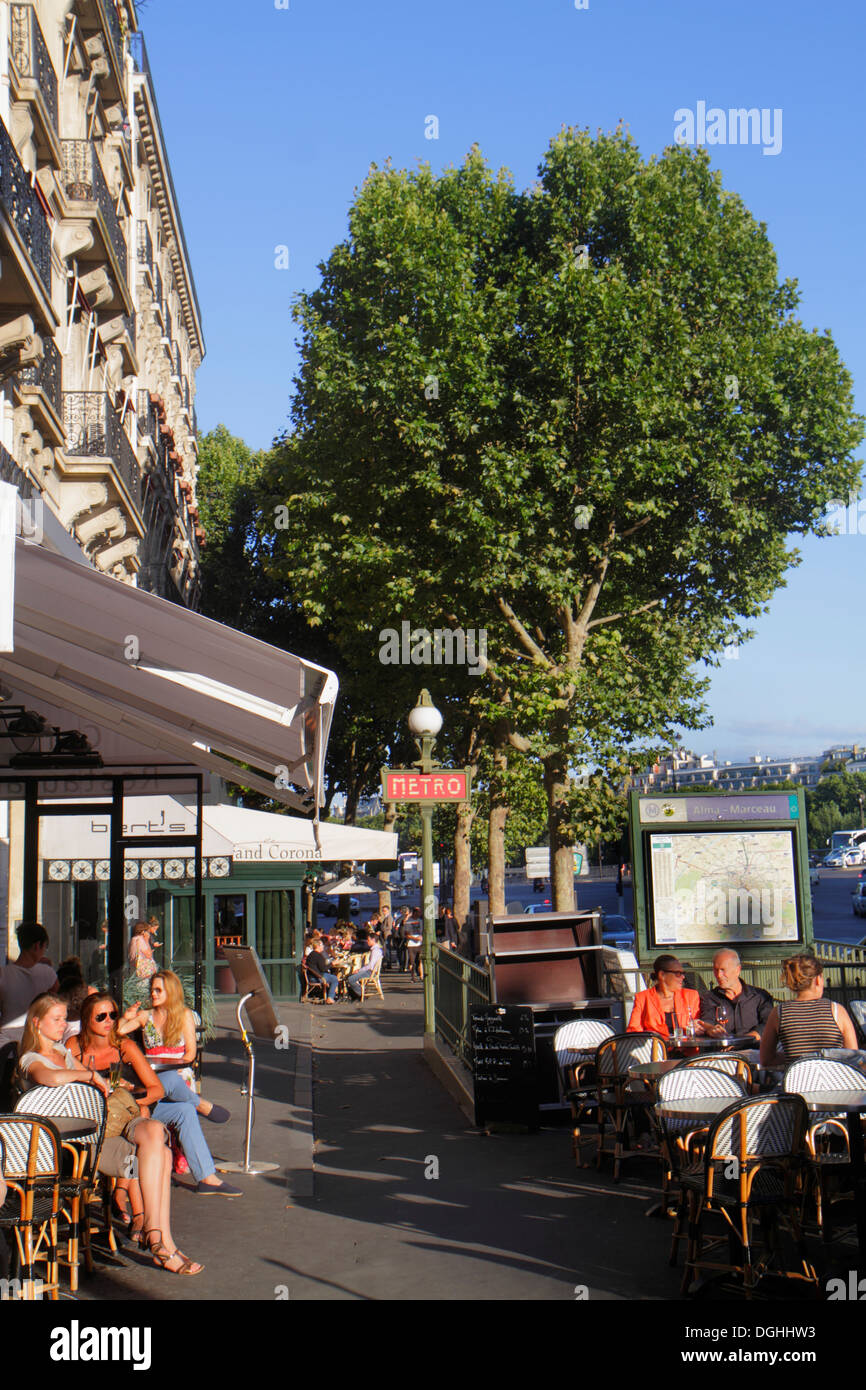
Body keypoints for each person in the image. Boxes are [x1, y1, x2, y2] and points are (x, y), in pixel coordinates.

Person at [68, 992, 204, 1273]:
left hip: (128, 1116)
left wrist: (134, 1098)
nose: (109, 1021)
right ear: (86, 1020)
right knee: (163, 1154)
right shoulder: (74, 1047)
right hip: (99, 1125)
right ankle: (162, 1241)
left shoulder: (125, 1047)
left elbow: (156, 1089)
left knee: (154, 1128)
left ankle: (154, 1235)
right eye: (101, 1016)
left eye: (113, 1015)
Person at [118, 972, 241, 1196]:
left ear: (170, 992)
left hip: (175, 1075)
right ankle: (200, 1104)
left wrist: (169, 1062)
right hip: (152, 1081)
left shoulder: (183, 1015)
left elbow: (190, 1054)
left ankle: (207, 1178)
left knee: (178, 1090)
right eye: (152, 990)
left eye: (158, 990)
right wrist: (126, 1018)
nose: (152, 994)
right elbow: (117, 1032)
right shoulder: (145, 1016)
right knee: (174, 1085)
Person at [760, 953, 858, 1065]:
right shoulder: (837, 1011)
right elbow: (853, 1055)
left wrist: (795, 1058)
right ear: (817, 980)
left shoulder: (779, 1013)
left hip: (797, 1081)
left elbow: (766, 1059)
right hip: (833, 1080)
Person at [0, 922, 58, 1049]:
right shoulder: (47, 973)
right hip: (35, 1041)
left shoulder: (3, 973)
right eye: (45, 947)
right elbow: (57, 1003)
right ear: (38, 945)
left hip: (5, 1042)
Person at [699, 949, 773, 1043]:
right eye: (715, 970)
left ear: (738, 970)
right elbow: (707, 1022)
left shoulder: (760, 997)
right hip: (722, 1053)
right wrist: (711, 1029)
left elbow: (768, 1025)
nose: (718, 975)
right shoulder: (709, 998)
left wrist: (741, 1042)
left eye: (723, 970)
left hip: (754, 1052)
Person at [627, 955, 706, 1038]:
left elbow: (698, 1025)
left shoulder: (691, 996)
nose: (683, 977)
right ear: (662, 975)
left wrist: (697, 1028)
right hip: (655, 1049)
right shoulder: (643, 998)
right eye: (678, 974)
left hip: (686, 1048)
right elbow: (633, 1031)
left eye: (683, 973)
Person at [126, 919, 159, 1006]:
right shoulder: (140, 939)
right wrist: (147, 941)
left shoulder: (132, 940)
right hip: (144, 973)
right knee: (144, 993)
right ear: (143, 931)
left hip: (135, 970)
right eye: (147, 931)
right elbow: (148, 954)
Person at [346, 929, 383, 1001]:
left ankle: (360, 993)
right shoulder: (375, 949)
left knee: (351, 979)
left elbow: (370, 966)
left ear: (373, 940)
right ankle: (358, 993)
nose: (367, 941)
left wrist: (359, 970)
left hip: (370, 972)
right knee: (351, 976)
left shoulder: (375, 951)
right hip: (370, 971)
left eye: (368, 940)